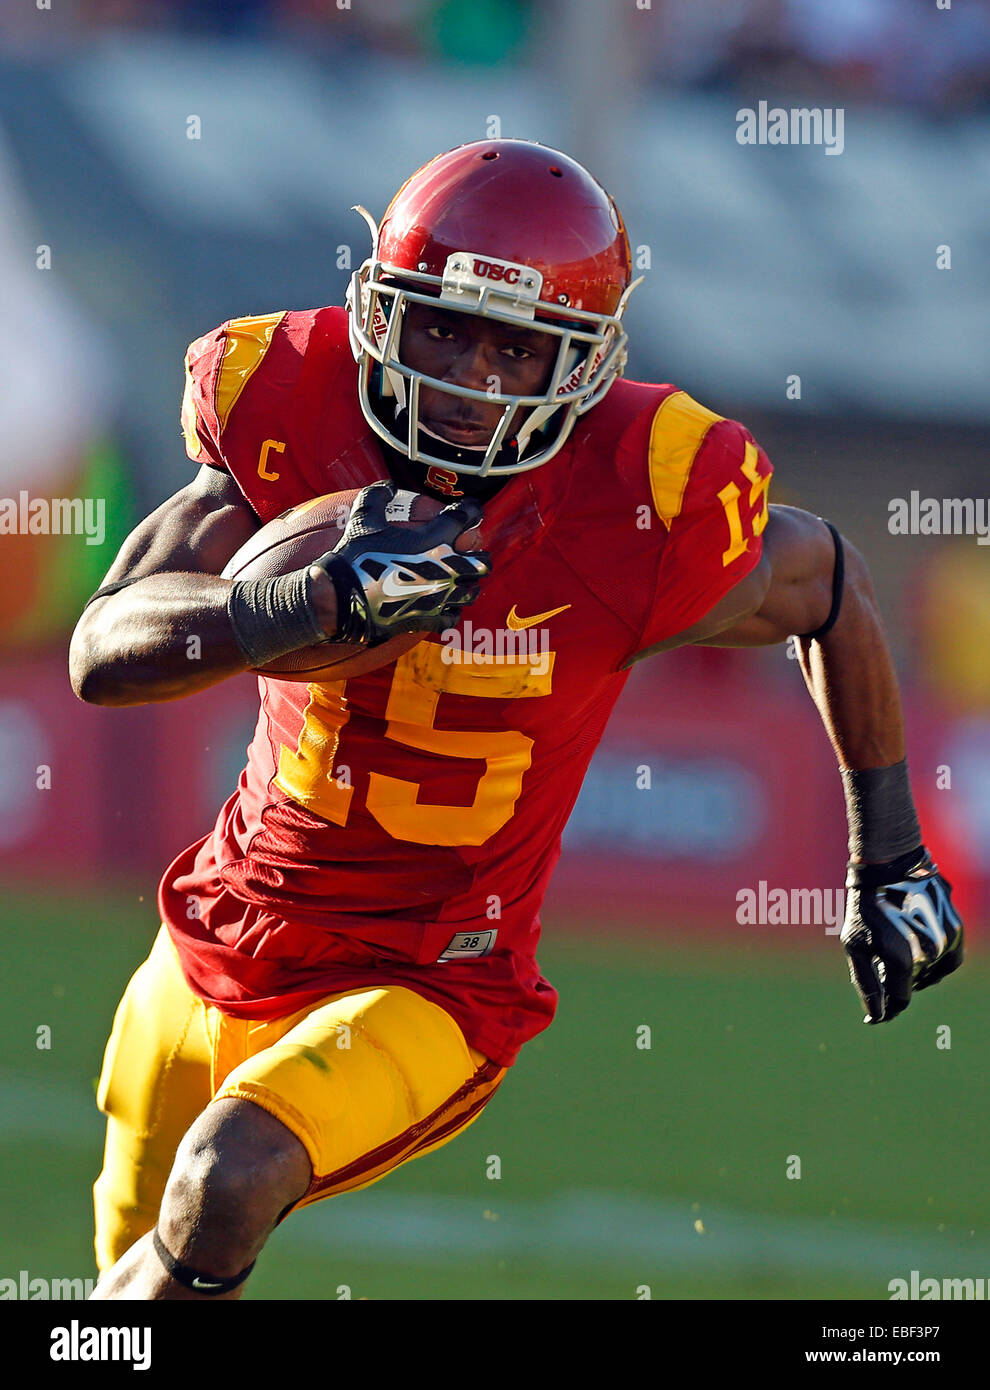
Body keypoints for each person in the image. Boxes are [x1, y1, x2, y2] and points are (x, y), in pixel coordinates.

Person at [69, 138, 963, 1301]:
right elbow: (103, 649)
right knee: (130, 1270)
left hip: (434, 977)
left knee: (226, 1181)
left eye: (517, 347)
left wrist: (887, 849)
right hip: (213, 937)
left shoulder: (643, 494)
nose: (471, 379)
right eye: (441, 327)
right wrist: (300, 605)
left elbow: (827, 584)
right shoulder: (292, 402)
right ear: (379, 312)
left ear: (583, 365)